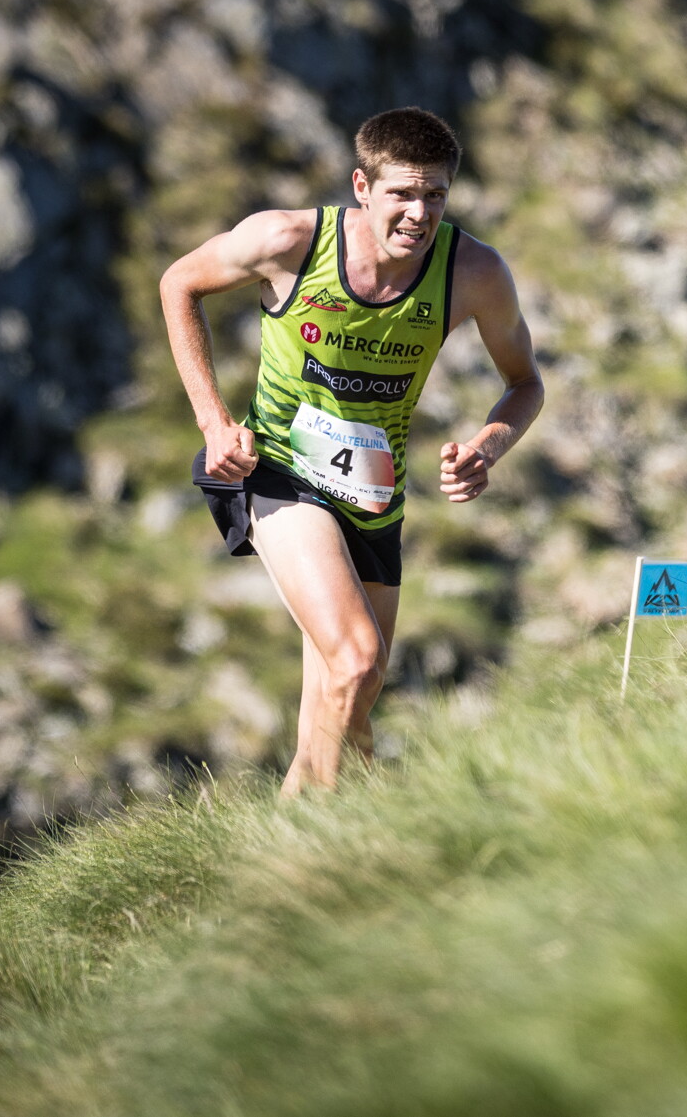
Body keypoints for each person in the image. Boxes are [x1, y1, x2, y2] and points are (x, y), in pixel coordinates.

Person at [160, 107, 543, 796]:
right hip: (280, 469)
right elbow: (178, 283)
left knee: (350, 721)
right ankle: (315, 864)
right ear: (362, 186)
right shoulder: (288, 240)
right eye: (403, 193)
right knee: (357, 659)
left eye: (435, 196)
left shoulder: (474, 272)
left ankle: (286, 854)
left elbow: (525, 384)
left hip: (374, 498)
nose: (419, 214)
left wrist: (490, 445)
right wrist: (215, 425)